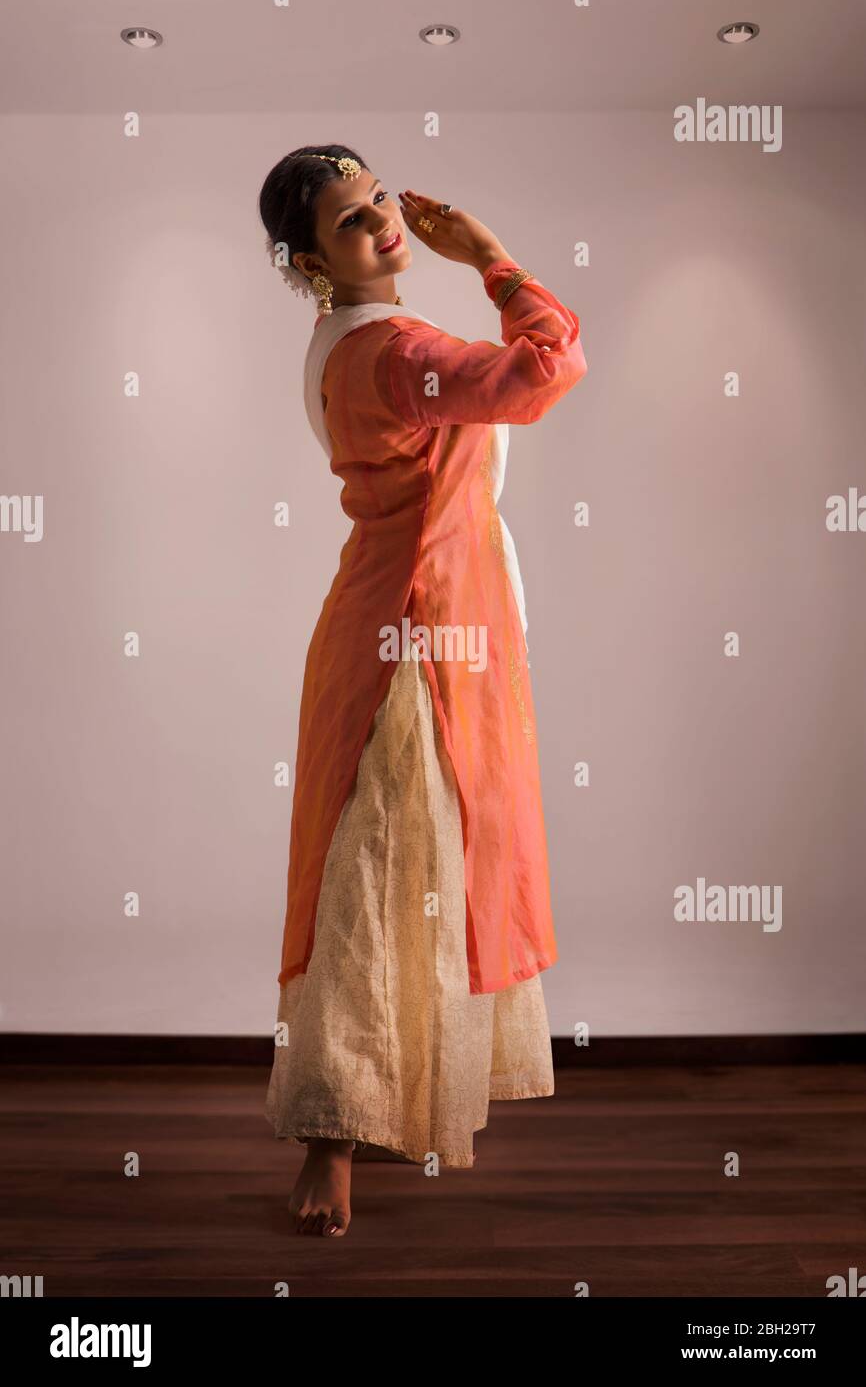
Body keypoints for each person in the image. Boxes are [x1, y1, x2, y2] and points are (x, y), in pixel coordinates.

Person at [258, 143, 588, 1237]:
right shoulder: (394, 348)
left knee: (418, 868)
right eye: (350, 222)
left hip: (415, 621)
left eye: (379, 196)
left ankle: (377, 1107)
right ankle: (330, 1141)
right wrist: (490, 258)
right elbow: (543, 372)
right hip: (414, 643)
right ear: (311, 260)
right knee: (377, 869)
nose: (385, 222)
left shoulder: (340, 344)